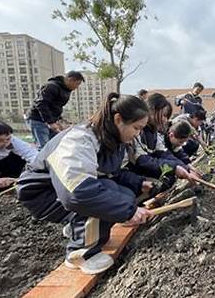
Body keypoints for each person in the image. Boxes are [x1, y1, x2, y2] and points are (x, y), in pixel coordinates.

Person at [18, 93, 153, 275]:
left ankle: (77, 226)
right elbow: (78, 192)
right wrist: (129, 211)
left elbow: (112, 172)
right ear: (118, 119)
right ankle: (80, 253)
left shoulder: (110, 138)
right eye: (136, 128)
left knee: (125, 195)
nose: (138, 134)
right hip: (43, 194)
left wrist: (139, 184)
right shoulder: (79, 140)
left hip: (63, 190)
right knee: (106, 195)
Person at [129, 93, 199, 188]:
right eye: (164, 115)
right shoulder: (138, 130)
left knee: (169, 179)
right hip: (132, 172)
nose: (165, 120)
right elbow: (142, 160)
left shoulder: (154, 131)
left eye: (167, 117)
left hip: (143, 169)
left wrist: (185, 167)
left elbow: (164, 153)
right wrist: (174, 168)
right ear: (151, 110)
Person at [28, 71, 85, 149]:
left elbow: (55, 106)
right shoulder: (51, 86)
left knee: (56, 145)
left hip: (51, 120)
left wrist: (60, 120)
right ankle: (40, 161)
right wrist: (50, 122)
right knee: (44, 147)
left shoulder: (66, 90)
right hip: (39, 120)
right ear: (70, 80)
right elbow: (41, 104)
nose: (77, 87)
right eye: (77, 84)